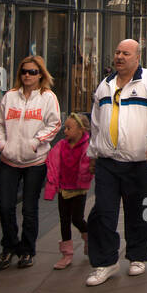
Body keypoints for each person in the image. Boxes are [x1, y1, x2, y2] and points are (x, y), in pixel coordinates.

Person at [84, 39, 147, 287]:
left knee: (144, 210)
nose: (119, 57)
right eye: (117, 52)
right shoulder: (105, 86)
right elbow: (96, 124)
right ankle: (105, 263)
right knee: (103, 212)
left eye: (126, 53)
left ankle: (138, 256)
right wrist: (93, 154)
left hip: (141, 162)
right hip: (108, 163)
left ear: (137, 57)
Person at [0, 55, 61, 270]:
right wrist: (3, 144)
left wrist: (35, 143)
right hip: (9, 160)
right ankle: (10, 246)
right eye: (24, 72)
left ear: (41, 74)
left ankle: (27, 250)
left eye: (33, 72)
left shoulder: (48, 97)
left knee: (29, 209)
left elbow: (54, 124)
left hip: (35, 162)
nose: (28, 76)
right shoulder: (10, 97)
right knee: (5, 206)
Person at [42, 113, 93, 270]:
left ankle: (89, 239)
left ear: (81, 130)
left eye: (69, 128)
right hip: (64, 188)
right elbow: (52, 164)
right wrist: (52, 187)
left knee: (77, 219)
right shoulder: (61, 145)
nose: (65, 131)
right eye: (65, 128)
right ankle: (67, 254)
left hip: (79, 190)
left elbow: (89, 166)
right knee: (64, 220)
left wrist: (86, 175)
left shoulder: (87, 147)